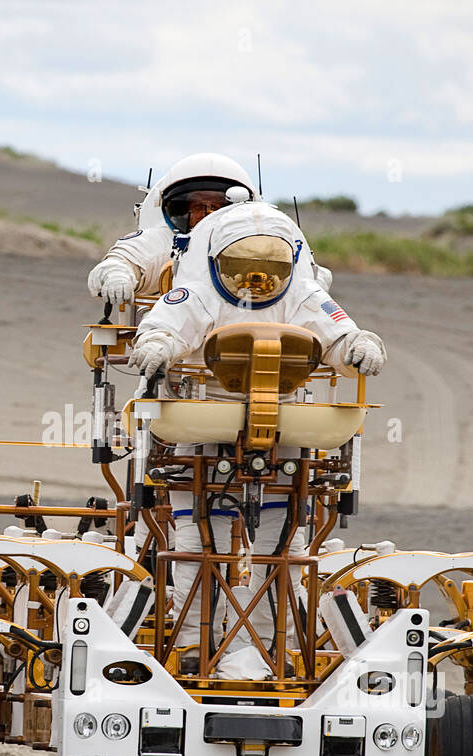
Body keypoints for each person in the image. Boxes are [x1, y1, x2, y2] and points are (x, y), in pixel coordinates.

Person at [127, 199, 386, 678]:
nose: (256, 281)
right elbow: (165, 324)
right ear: (218, 260)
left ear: (288, 264)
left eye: (268, 271)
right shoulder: (199, 292)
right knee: (194, 545)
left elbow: (339, 335)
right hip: (205, 420)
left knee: (282, 549)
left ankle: (269, 649)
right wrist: (157, 344)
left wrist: (358, 347)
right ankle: (191, 645)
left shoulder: (305, 296)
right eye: (244, 269)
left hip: (283, 430)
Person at [88, 152, 339, 308]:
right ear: (178, 210)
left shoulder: (263, 248)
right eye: (199, 206)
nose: (209, 215)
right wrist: (116, 277)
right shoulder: (164, 244)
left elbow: (307, 283)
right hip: (176, 359)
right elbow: (119, 262)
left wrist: (316, 279)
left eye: (219, 206)